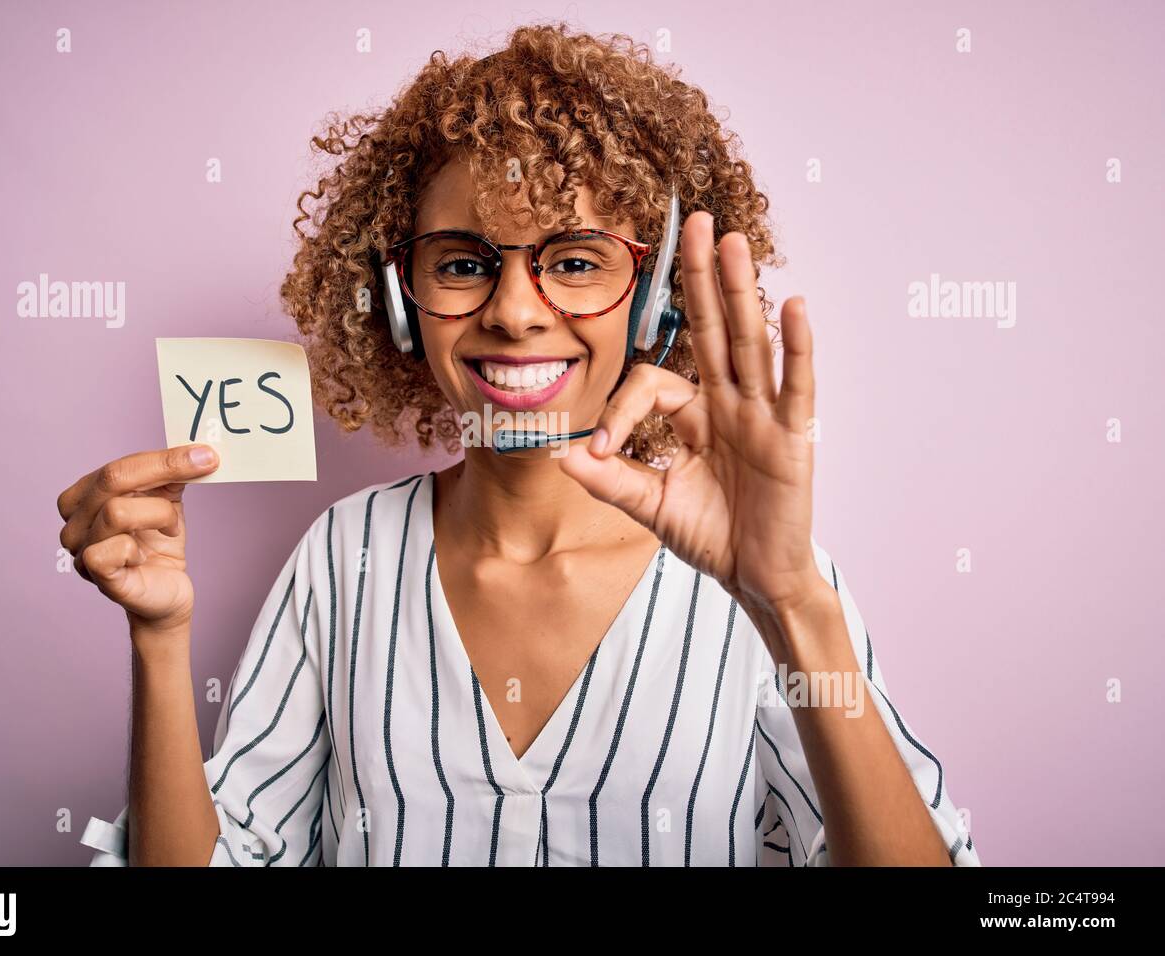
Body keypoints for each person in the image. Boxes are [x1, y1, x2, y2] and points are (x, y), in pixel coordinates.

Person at [59, 24, 978, 867]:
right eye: (462, 263)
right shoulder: (344, 560)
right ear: (399, 304)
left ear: (656, 297)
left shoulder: (767, 575)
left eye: (575, 260)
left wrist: (788, 603)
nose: (513, 310)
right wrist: (159, 638)